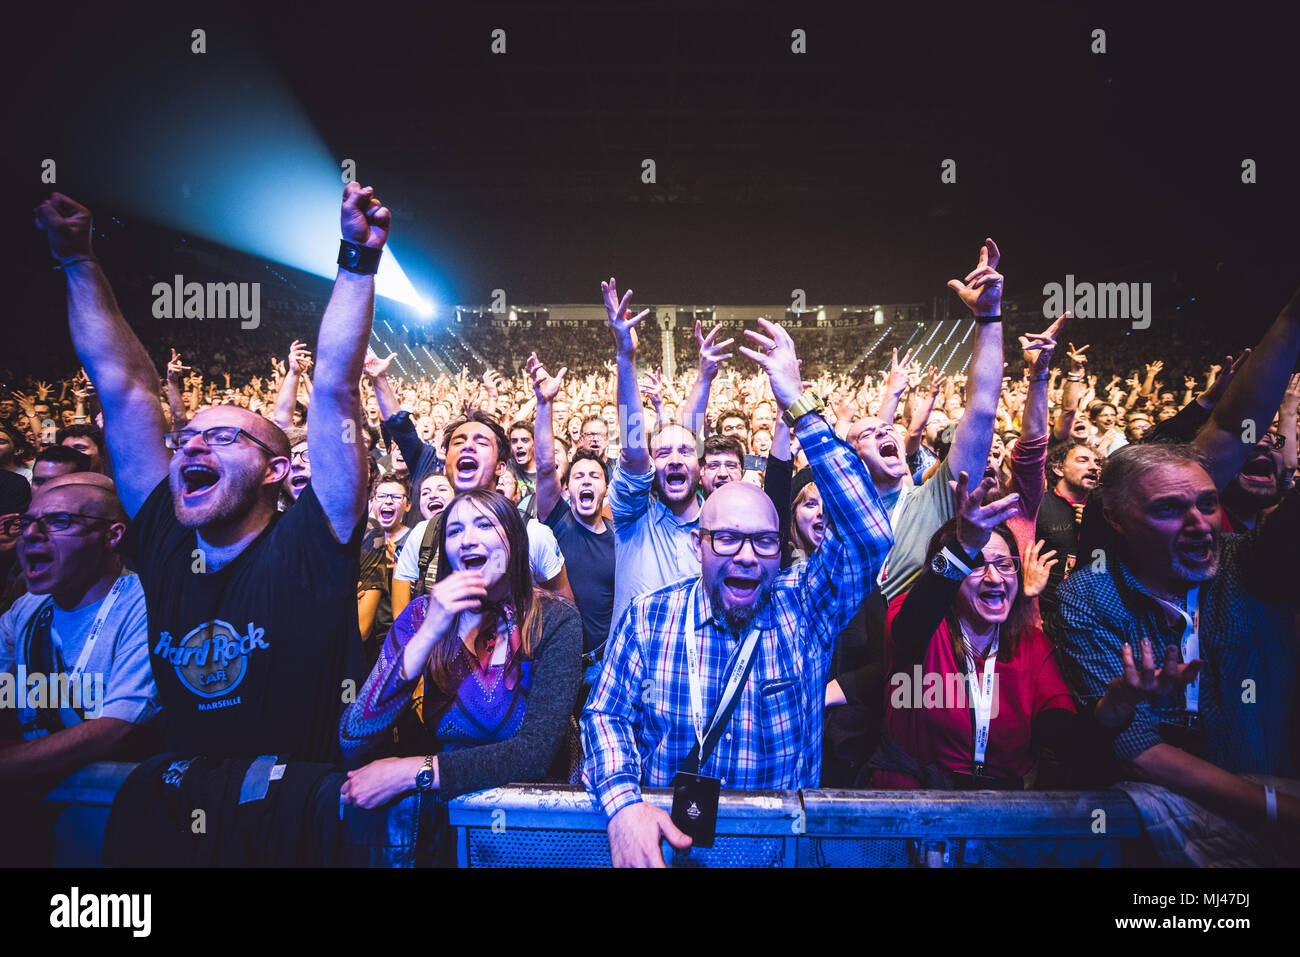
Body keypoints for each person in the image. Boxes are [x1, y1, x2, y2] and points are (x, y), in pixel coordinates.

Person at [37, 185, 382, 762]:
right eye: (188, 436)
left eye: (223, 438)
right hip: (183, 819)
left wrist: (357, 257)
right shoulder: (167, 542)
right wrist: (76, 259)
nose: (194, 444)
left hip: (292, 825)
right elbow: (124, 388)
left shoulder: (310, 543)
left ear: (277, 470)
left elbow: (335, 388)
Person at [582, 317, 893, 867]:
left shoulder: (804, 607)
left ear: (782, 548)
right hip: (669, 849)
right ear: (698, 544)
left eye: (763, 542)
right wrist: (622, 803)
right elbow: (604, 715)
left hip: (775, 856)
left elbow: (870, 535)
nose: (746, 556)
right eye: (727, 539)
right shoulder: (648, 618)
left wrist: (800, 405)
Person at [1051, 282, 1300, 838]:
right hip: (1146, 837)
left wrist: (1291, 319)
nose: (1199, 524)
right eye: (1169, 510)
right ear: (1115, 520)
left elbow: (1239, 432)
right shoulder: (1089, 594)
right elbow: (1135, 747)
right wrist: (1274, 810)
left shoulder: (1251, 566)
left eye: (1209, 503)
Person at [338, 489, 582, 836]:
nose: (467, 540)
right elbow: (353, 736)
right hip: (452, 820)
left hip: (536, 823)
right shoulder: (422, 615)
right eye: (454, 531)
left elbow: (535, 753)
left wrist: (410, 772)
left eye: (484, 526)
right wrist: (428, 633)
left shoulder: (554, 619)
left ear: (514, 537)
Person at [602, 278, 719, 632]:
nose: (674, 459)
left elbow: (690, 433)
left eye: (685, 453)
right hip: (630, 681)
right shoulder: (632, 517)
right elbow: (635, 446)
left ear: (699, 465)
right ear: (652, 466)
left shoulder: (717, 528)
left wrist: (706, 377)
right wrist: (626, 356)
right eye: (662, 453)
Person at [390, 409, 572, 620]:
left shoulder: (532, 535)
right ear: (445, 464)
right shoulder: (423, 535)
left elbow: (566, 616)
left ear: (500, 467)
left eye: (481, 443)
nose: (467, 446)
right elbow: (401, 626)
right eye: (458, 443)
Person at [526, 352, 617, 690]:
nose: (587, 481)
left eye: (595, 476)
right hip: (556, 660)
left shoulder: (617, 537)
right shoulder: (557, 519)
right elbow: (546, 464)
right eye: (578, 476)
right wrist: (545, 404)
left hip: (605, 662)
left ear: (605, 488)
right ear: (567, 488)